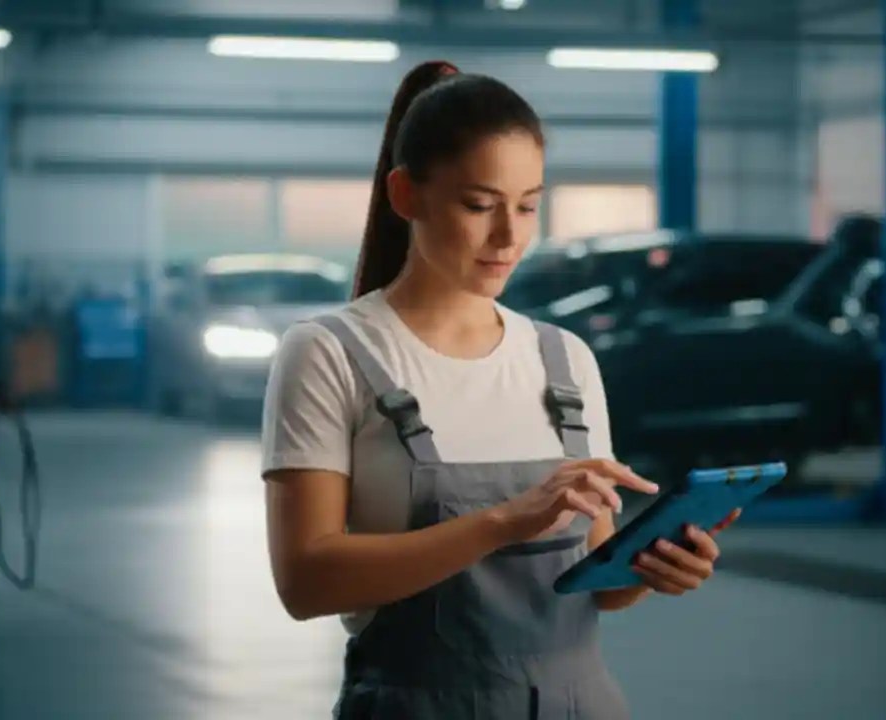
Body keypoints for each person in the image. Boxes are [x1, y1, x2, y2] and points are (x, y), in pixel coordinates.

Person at [260, 60, 742, 720]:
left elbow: (596, 587)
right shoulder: (330, 353)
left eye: (528, 207)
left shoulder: (563, 360)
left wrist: (649, 567)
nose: (509, 236)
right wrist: (499, 524)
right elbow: (306, 581)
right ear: (406, 196)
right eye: (480, 206)